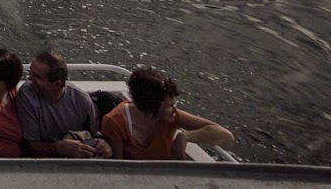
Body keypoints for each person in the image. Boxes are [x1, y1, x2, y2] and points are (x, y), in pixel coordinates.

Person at [100, 66, 234, 161]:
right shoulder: (115, 122)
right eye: (170, 105)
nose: (174, 108)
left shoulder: (172, 116)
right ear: (152, 106)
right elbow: (117, 167)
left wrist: (185, 136)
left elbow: (226, 135)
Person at [15, 51, 110, 158]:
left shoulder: (82, 100)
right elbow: (30, 146)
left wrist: (102, 145)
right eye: (31, 72)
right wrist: (58, 148)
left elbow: (94, 135)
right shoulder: (27, 96)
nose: (30, 79)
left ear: (57, 84)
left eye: (37, 76)